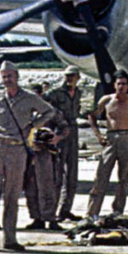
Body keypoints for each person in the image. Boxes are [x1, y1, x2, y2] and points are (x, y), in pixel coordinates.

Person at [0, 61, 59, 252]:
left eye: (10, 76)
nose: (7, 80)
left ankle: (10, 239)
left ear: (17, 76)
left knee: (12, 196)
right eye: (3, 76)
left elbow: (49, 111)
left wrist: (34, 125)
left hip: (18, 149)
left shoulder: (29, 98)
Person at [86, 70, 128, 218]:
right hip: (110, 138)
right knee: (101, 176)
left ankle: (118, 210)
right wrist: (98, 135)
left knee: (124, 178)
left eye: (124, 84)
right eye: (118, 84)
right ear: (114, 85)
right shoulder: (106, 100)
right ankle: (92, 212)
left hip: (126, 137)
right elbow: (92, 116)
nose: (121, 87)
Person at [44, 66, 84, 221]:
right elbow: (45, 107)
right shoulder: (54, 93)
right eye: (68, 76)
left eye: (73, 76)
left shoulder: (79, 93)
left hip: (73, 131)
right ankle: (52, 211)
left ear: (78, 77)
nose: (70, 78)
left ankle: (66, 209)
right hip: (60, 131)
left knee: (72, 173)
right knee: (57, 173)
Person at [22, 101, 69, 231]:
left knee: (48, 186)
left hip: (45, 154)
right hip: (26, 153)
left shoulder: (51, 112)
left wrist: (56, 138)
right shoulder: (23, 110)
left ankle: (50, 217)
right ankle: (37, 217)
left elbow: (64, 127)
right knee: (30, 188)